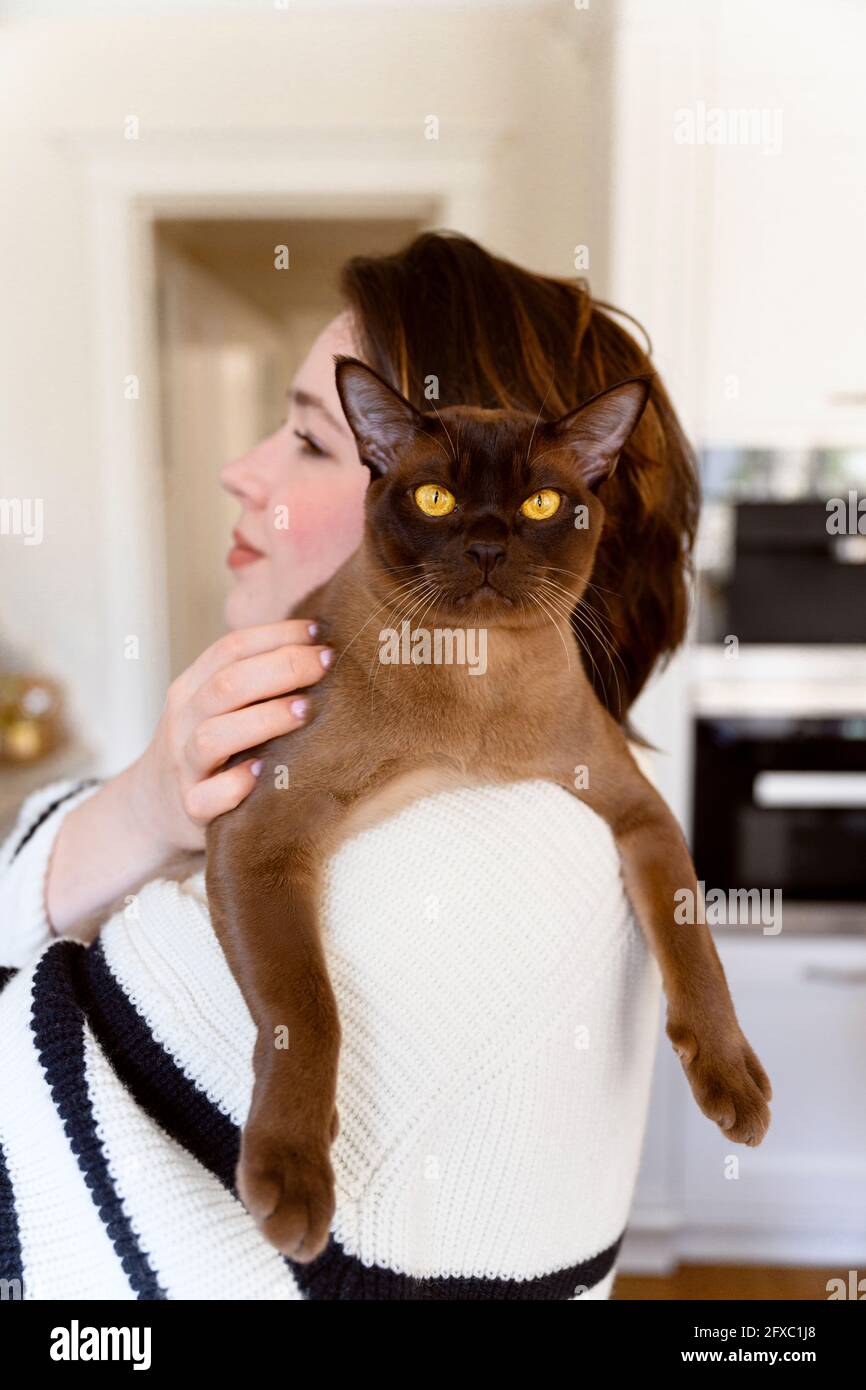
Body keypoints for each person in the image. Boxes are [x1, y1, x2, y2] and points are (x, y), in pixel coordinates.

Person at [0, 231, 698, 1300]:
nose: (239, 471)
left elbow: (36, 1200)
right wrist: (145, 805)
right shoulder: (518, 787)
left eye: (312, 443)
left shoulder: (444, 867)